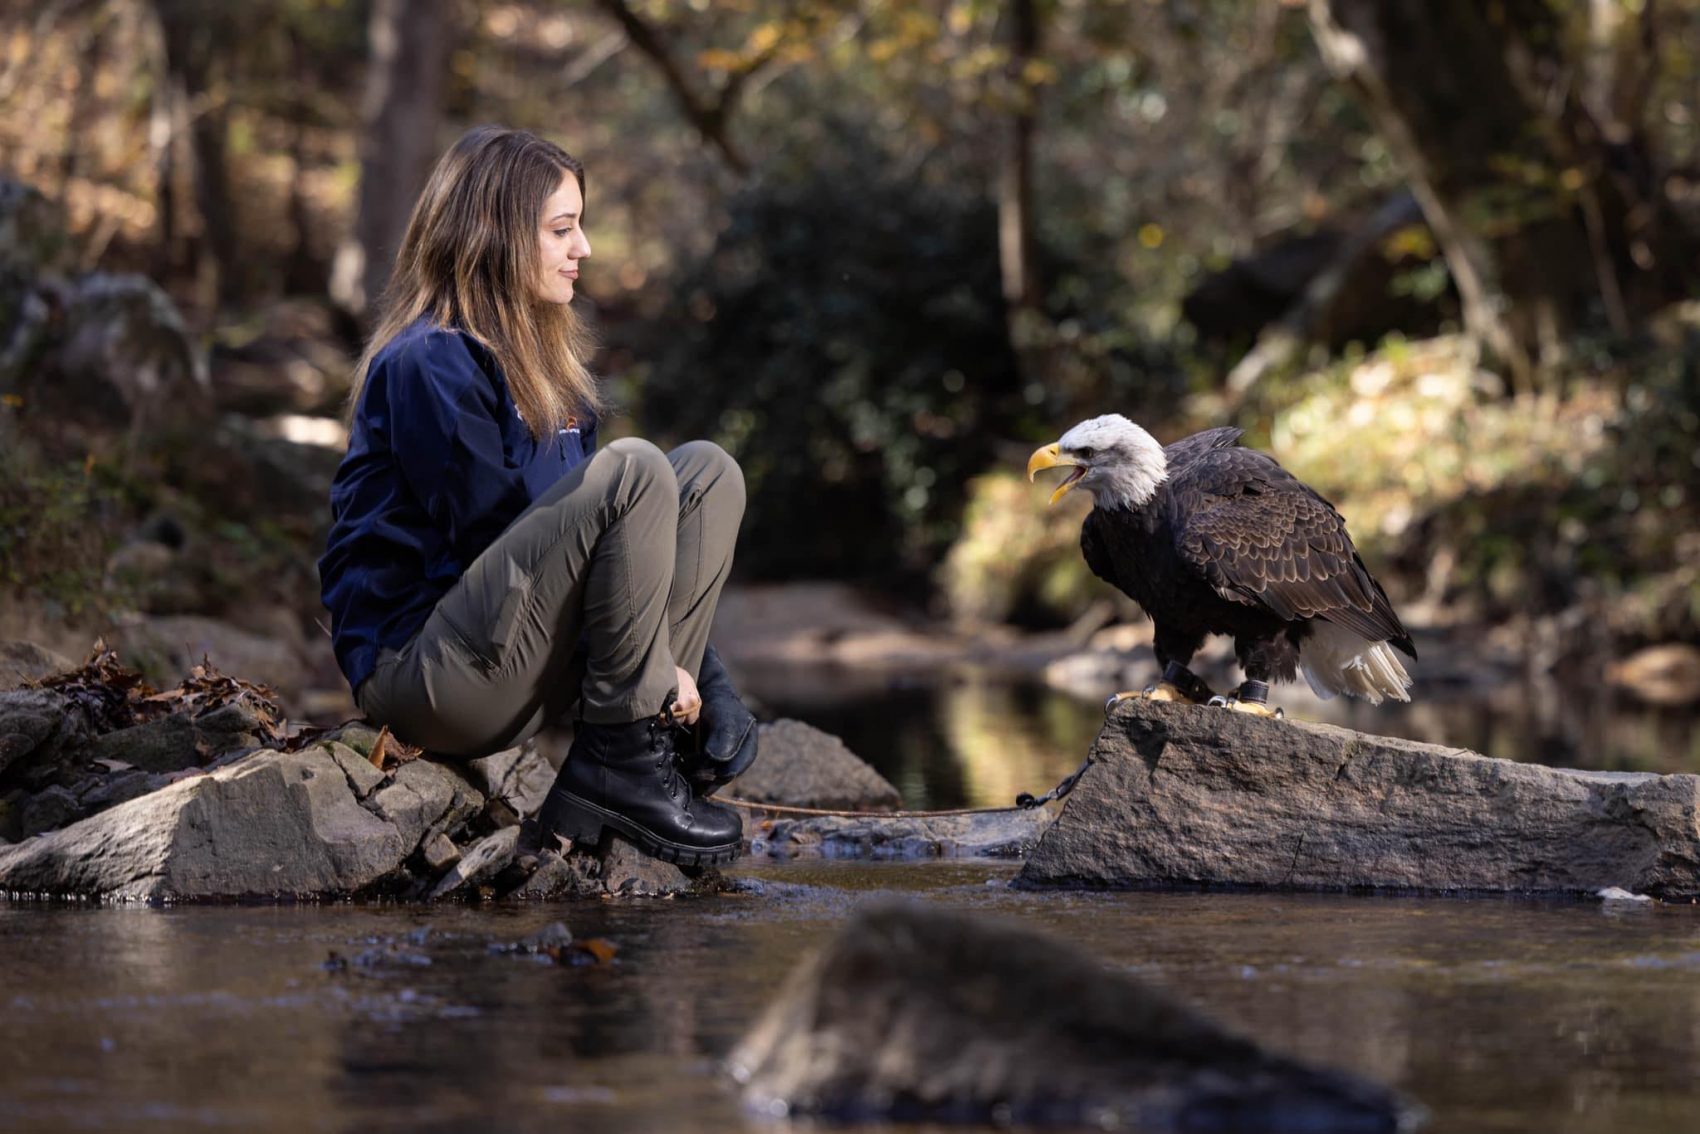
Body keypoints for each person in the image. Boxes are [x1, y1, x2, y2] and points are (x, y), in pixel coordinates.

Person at [318, 125, 758, 868]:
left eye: (579, 226)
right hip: (427, 671)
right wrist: (659, 672)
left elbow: (604, 561)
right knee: (633, 470)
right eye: (561, 229)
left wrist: (708, 677)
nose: (583, 248)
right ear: (492, 234)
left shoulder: (552, 380)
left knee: (707, 472)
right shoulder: (429, 361)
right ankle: (622, 757)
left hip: (513, 659)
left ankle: (638, 761)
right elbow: (492, 543)